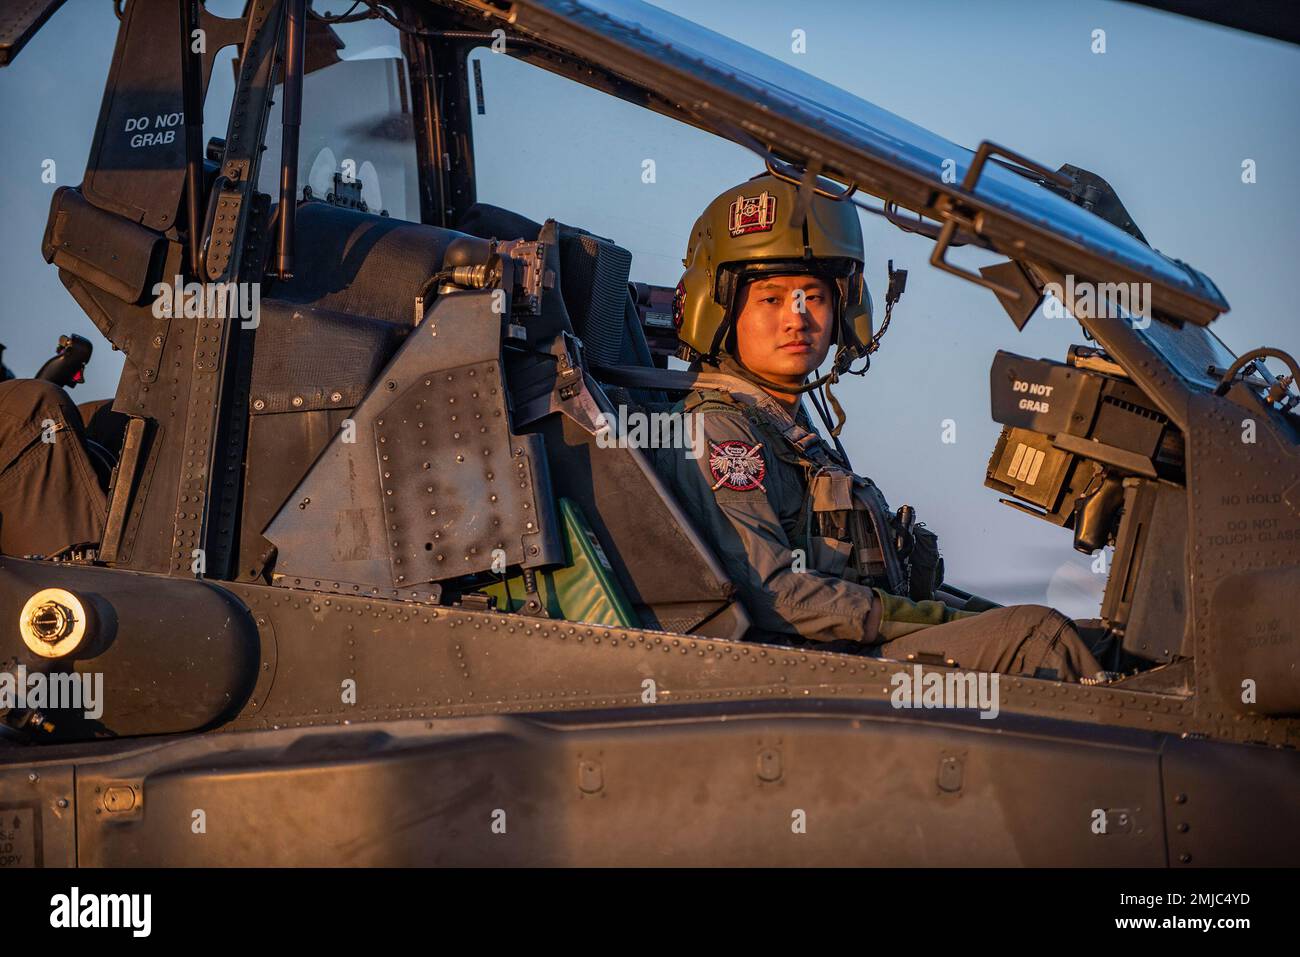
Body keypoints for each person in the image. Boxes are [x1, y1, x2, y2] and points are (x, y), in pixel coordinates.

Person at [647, 173, 1107, 682]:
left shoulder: (792, 429)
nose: (797, 319)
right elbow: (779, 592)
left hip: (840, 656)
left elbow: (893, 590)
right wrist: (951, 621)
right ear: (722, 311)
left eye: (814, 297)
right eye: (771, 299)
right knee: (1036, 642)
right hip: (799, 674)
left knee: (1087, 639)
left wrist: (979, 617)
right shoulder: (719, 431)